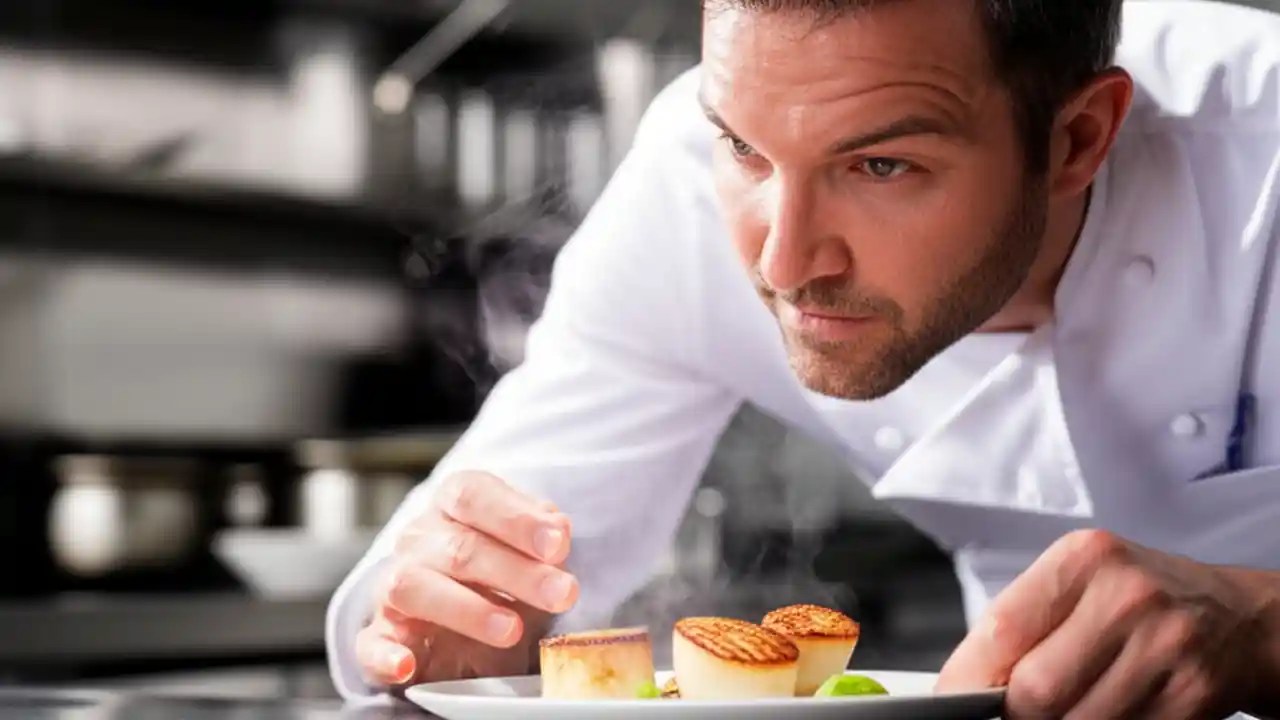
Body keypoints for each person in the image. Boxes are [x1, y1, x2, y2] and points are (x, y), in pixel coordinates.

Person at [327, 0, 1280, 717]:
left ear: (1078, 138)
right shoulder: (680, 184)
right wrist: (442, 631)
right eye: (744, 147)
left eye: (879, 166)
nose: (784, 263)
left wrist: (1266, 623)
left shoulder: (1265, 147)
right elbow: (460, 571)